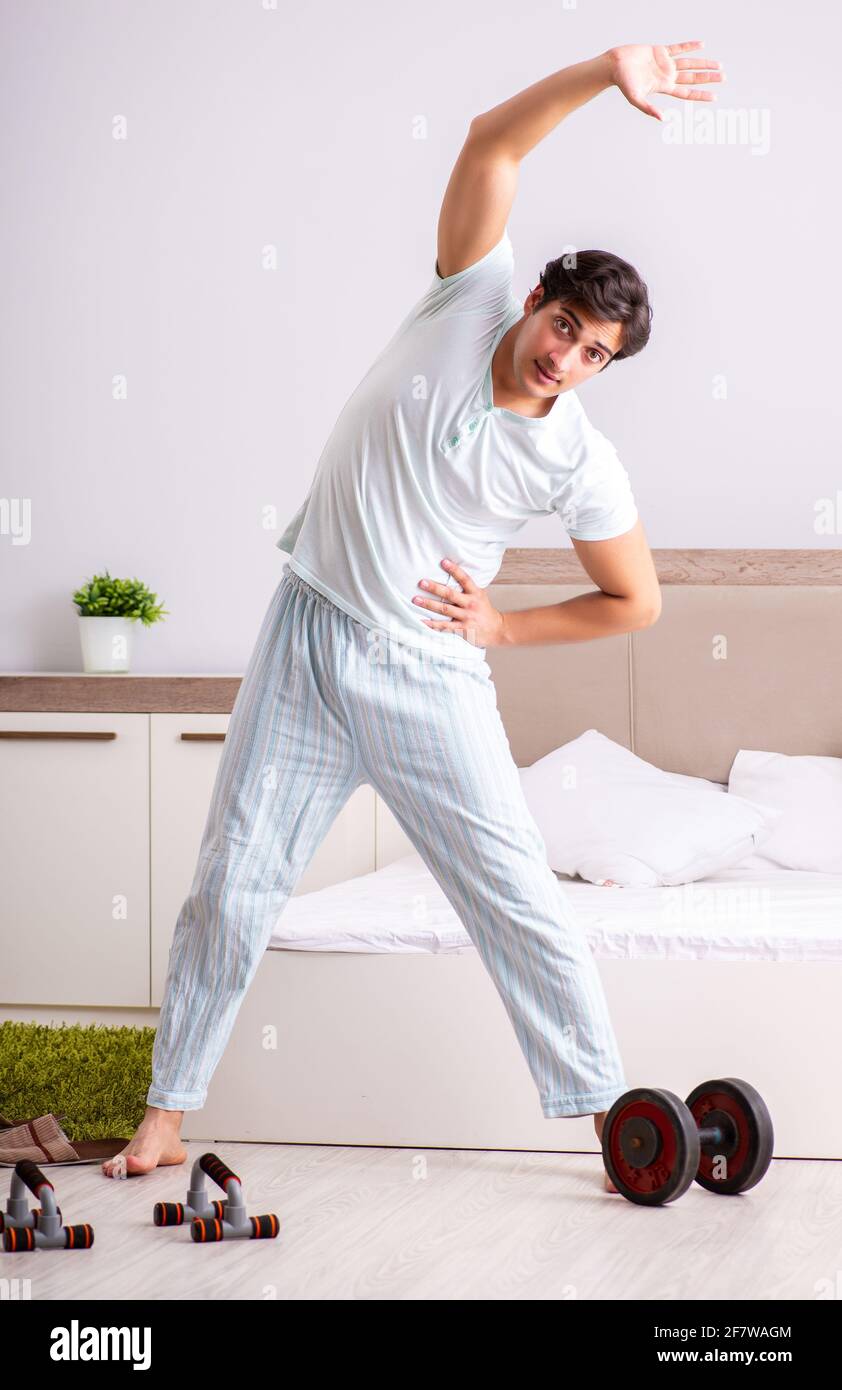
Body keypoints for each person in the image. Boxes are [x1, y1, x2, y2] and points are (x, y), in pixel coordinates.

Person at [102, 40, 724, 1189]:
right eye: (565, 329)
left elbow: (633, 600)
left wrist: (501, 629)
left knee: (511, 894)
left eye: (594, 356)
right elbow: (492, 140)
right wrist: (605, 70)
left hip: (421, 673)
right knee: (231, 879)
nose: (565, 360)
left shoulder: (576, 459)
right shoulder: (465, 293)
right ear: (533, 295)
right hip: (304, 631)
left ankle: (610, 1116)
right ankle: (165, 1115)